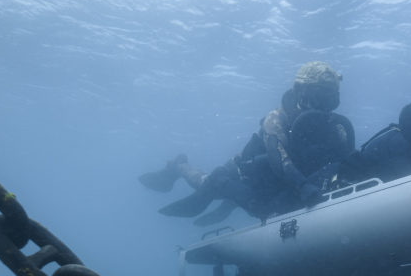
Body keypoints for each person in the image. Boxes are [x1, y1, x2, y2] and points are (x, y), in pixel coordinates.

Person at [140, 62, 354, 221]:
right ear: (299, 92)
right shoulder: (277, 118)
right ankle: (180, 166)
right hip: (243, 172)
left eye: (330, 99)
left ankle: (231, 203)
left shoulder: (334, 128)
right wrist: (303, 185)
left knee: (257, 199)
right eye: (318, 96)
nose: (323, 105)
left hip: (279, 185)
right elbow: (278, 157)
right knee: (207, 182)